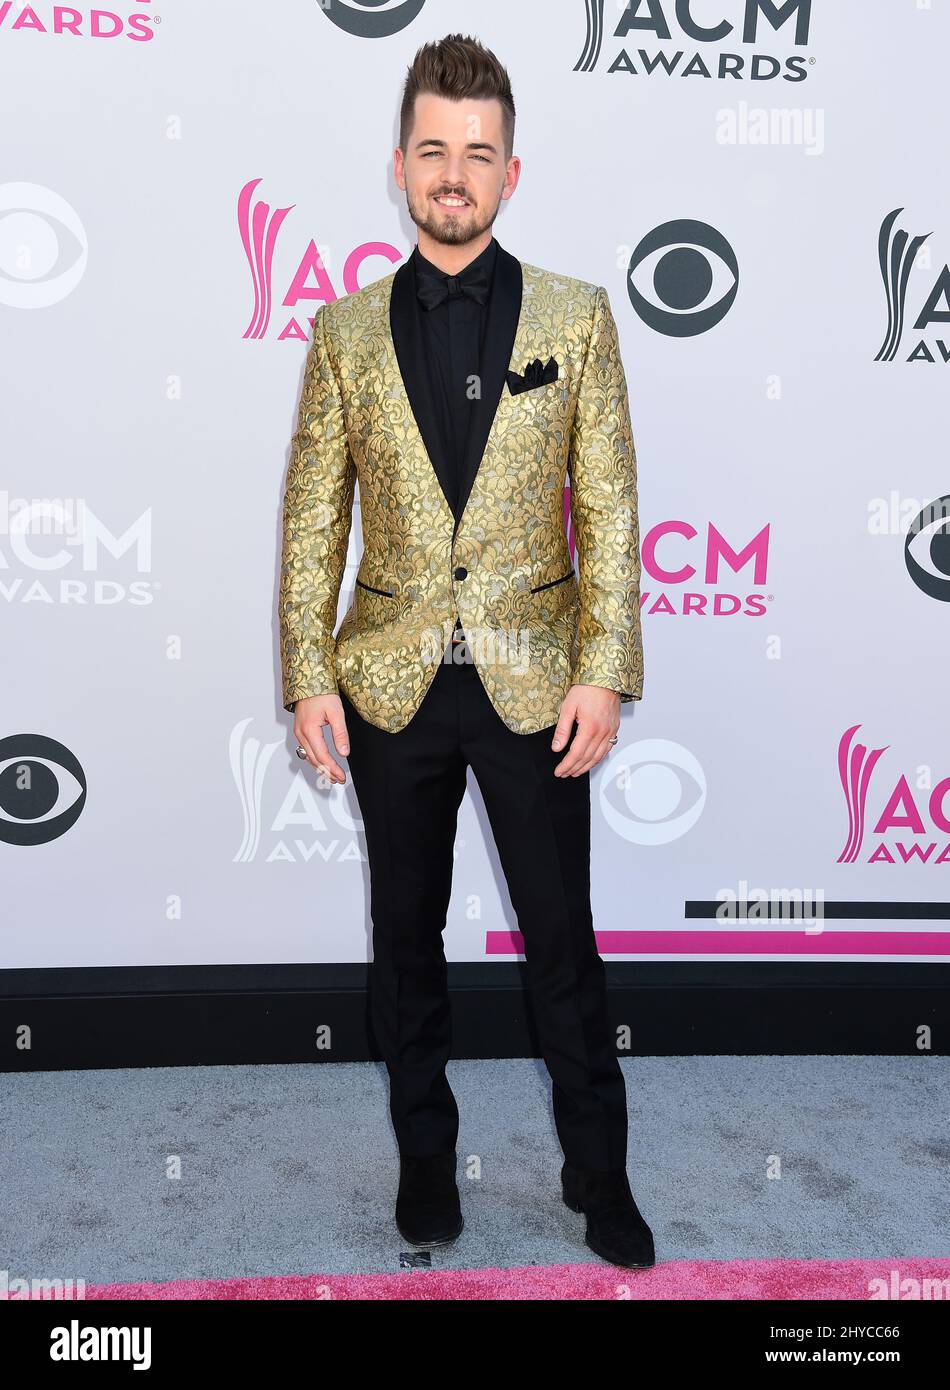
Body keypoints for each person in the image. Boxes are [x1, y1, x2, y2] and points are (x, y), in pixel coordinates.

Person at [278, 33, 653, 1270]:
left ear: (510, 172)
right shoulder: (339, 332)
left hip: (535, 679)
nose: (453, 173)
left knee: (562, 945)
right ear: (398, 166)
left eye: (476, 154)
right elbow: (312, 516)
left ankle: (599, 1180)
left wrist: (603, 666)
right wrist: (306, 673)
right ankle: (425, 1167)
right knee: (406, 943)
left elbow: (605, 506)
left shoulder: (577, 317)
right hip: (388, 681)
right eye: (432, 150)